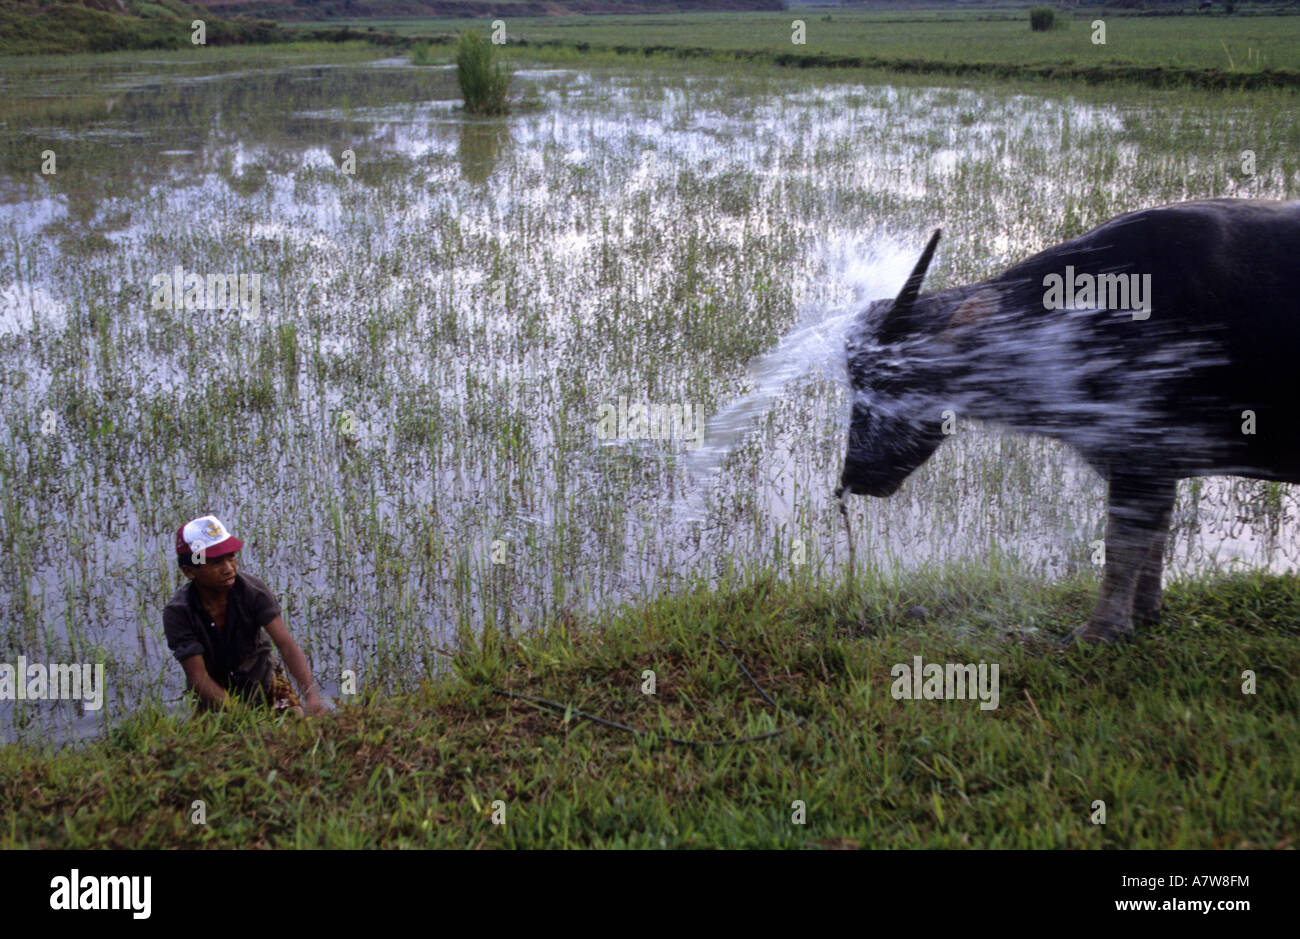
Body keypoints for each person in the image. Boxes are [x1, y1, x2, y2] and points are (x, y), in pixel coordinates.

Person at [163, 515, 326, 717]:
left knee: (296, 719)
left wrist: (311, 695)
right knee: (216, 743)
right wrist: (241, 716)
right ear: (189, 571)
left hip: (262, 678)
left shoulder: (253, 591)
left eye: (231, 557)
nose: (229, 569)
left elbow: (286, 645)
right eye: (215, 563)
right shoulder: (179, 613)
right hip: (213, 691)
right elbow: (199, 677)